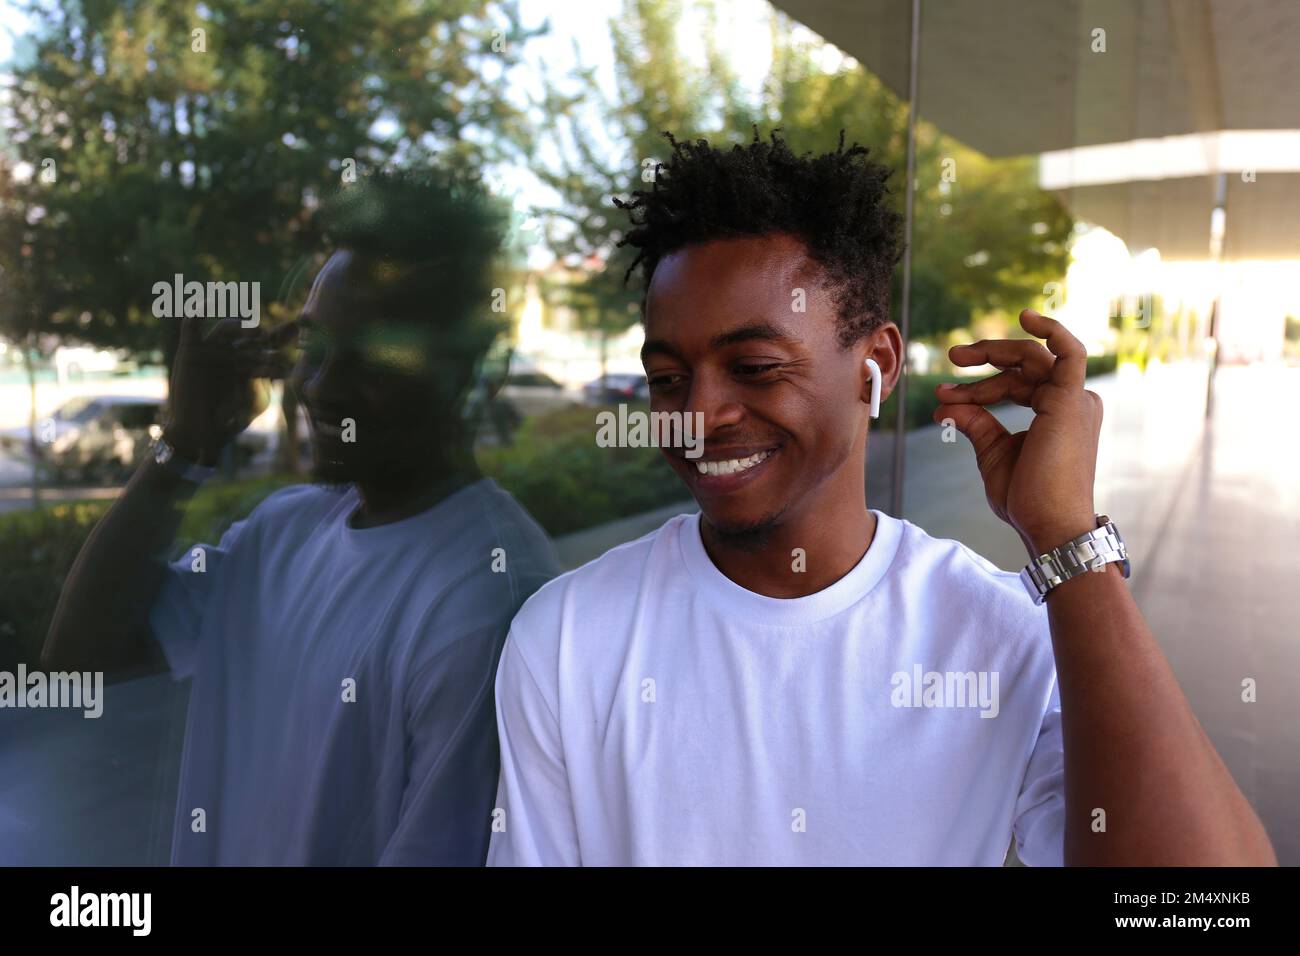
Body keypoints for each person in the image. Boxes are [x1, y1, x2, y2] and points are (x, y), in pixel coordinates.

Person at [486, 130, 1276, 866]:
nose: (702, 412)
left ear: (878, 363)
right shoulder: (567, 639)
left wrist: (1066, 538)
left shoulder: (1001, 638)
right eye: (667, 380)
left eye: (756, 367)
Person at [43, 172, 559, 865]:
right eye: (315, 347)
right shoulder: (281, 532)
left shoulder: (488, 599)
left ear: (466, 372)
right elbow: (81, 654)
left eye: (370, 356)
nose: (320, 385)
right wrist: (182, 447)